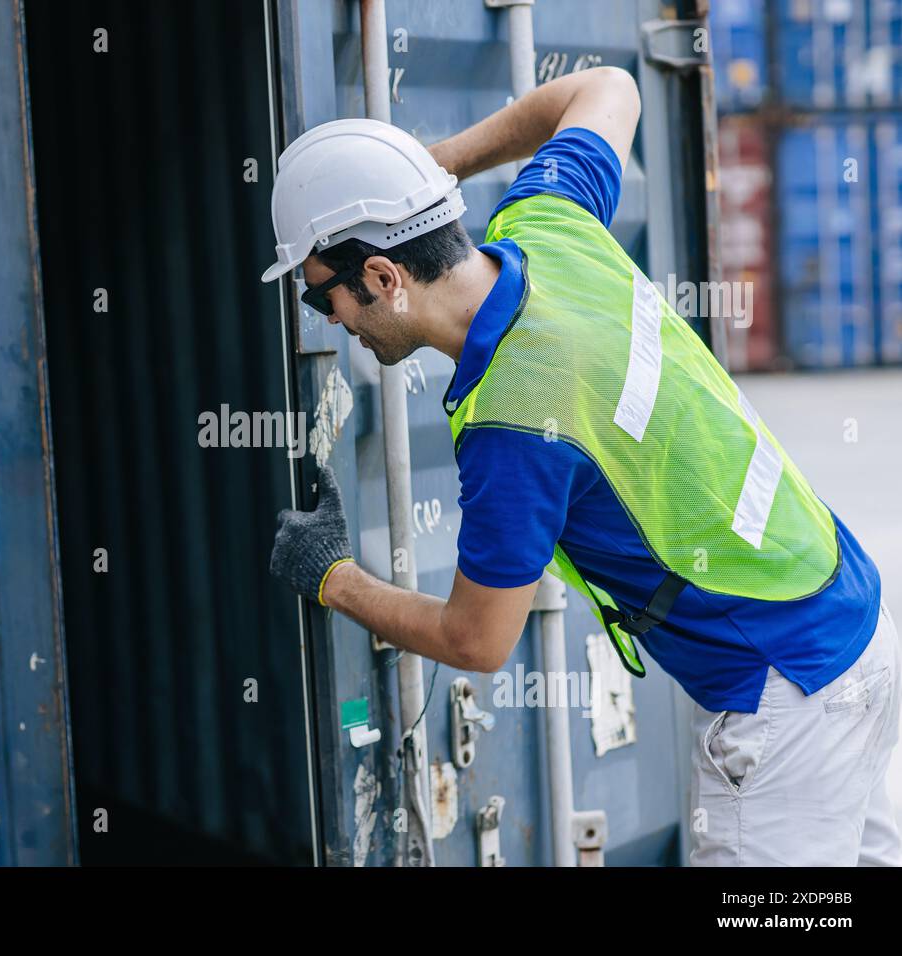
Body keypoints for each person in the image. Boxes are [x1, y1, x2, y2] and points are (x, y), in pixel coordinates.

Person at [261, 65, 900, 866]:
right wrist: (439, 165)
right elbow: (608, 87)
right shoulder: (549, 222)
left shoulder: (512, 423)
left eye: (324, 299)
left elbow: (476, 639)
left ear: (384, 278)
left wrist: (333, 578)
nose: (330, 321)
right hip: (854, 626)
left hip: (787, 701)